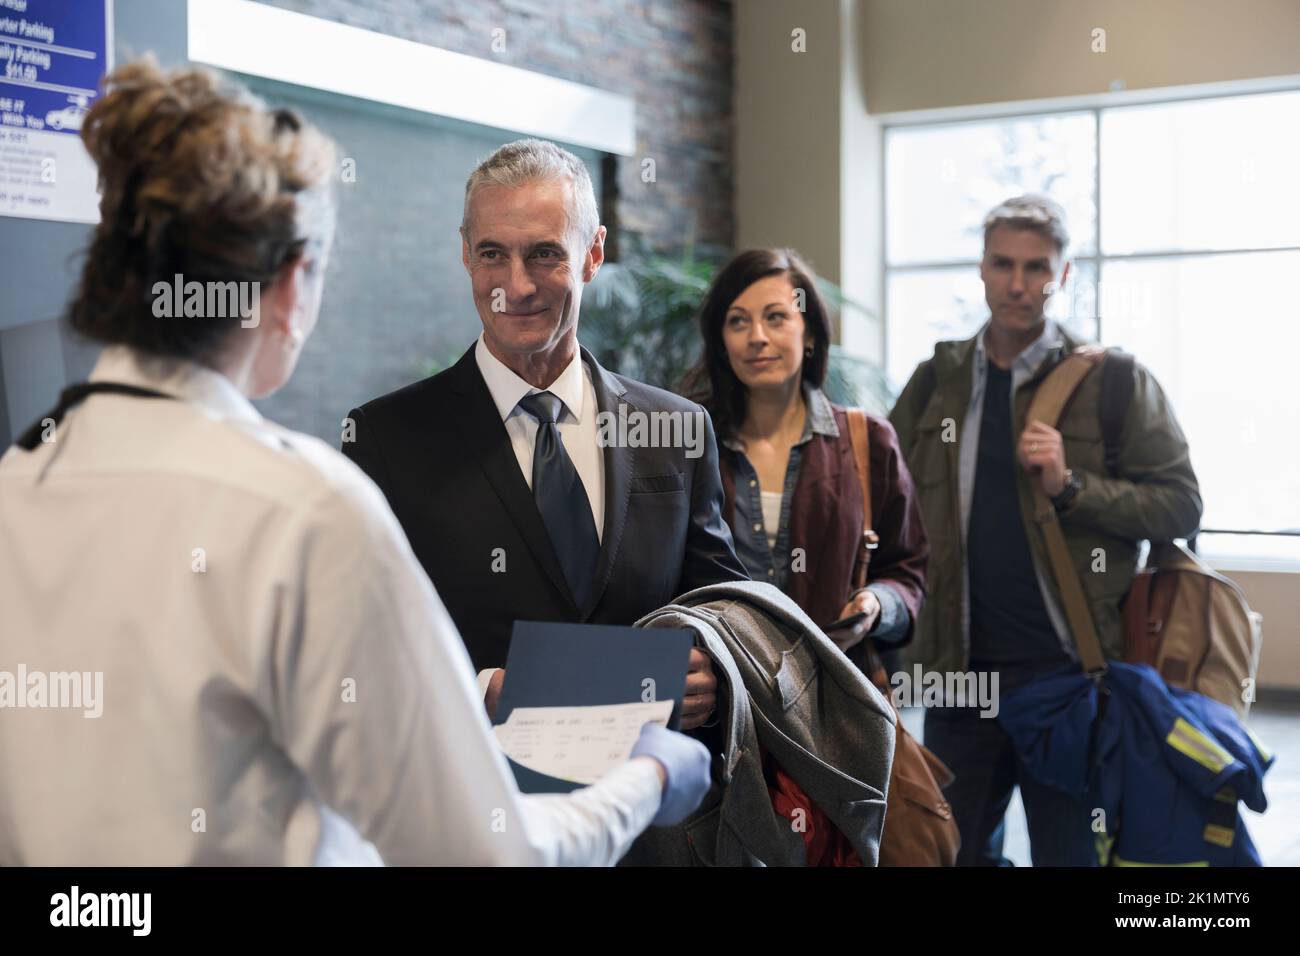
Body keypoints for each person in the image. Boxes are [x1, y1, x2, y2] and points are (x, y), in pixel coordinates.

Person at [0, 59, 709, 866]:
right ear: (293, 280)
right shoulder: (306, 508)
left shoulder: (15, 494)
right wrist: (652, 776)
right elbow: (486, 855)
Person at [342, 138, 749, 728]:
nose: (517, 285)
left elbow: (724, 611)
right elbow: (352, 643)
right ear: (464, 253)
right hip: (478, 801)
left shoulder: (676, 430)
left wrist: (718, 675)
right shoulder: (383, 439)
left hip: (650, 802)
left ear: (593, 254)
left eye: (543, 255)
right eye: (492, 254)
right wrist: (478, 691)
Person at [889, 194, 1203, 866]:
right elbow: (889, 504)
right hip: (958, 677)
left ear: (1062, 277)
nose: (1017, 283)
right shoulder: (937, 384)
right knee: (950, 855)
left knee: (1071, 855)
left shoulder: (1114, 382)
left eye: (1036, 268)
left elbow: (1181, 505)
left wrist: (1072, 487)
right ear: (980, 268)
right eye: (1003, 263)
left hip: (1068, 678)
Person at [682, 248, 928, 656]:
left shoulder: (867, 440)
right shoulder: (689, 443)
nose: (757, 337)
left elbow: (907, 569)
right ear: (722, 342)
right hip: (723, 695)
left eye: (775, 317)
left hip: (836, 690)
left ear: (809, 332)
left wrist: (876, 605)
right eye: (738, 321)